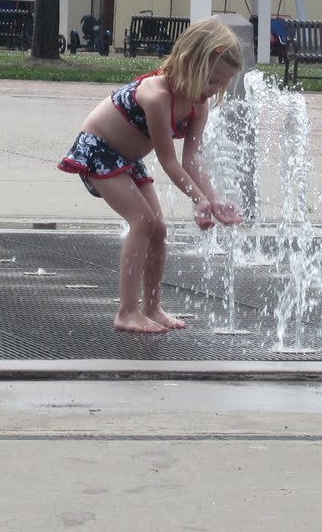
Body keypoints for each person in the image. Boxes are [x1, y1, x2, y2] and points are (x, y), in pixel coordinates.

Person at [58, 18, 244, 334]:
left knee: (159, 230)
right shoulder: (157, 96)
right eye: (210, 80)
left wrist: (213, 200)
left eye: (219, 85)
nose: (212, 90)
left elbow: (192, 159)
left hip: (128, 159)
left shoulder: (199, 105)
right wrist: (197, 199)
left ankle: (152, 307)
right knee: (143, 222)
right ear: (189, 61)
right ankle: (126, 312)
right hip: (99, 150)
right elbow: (169, 161)